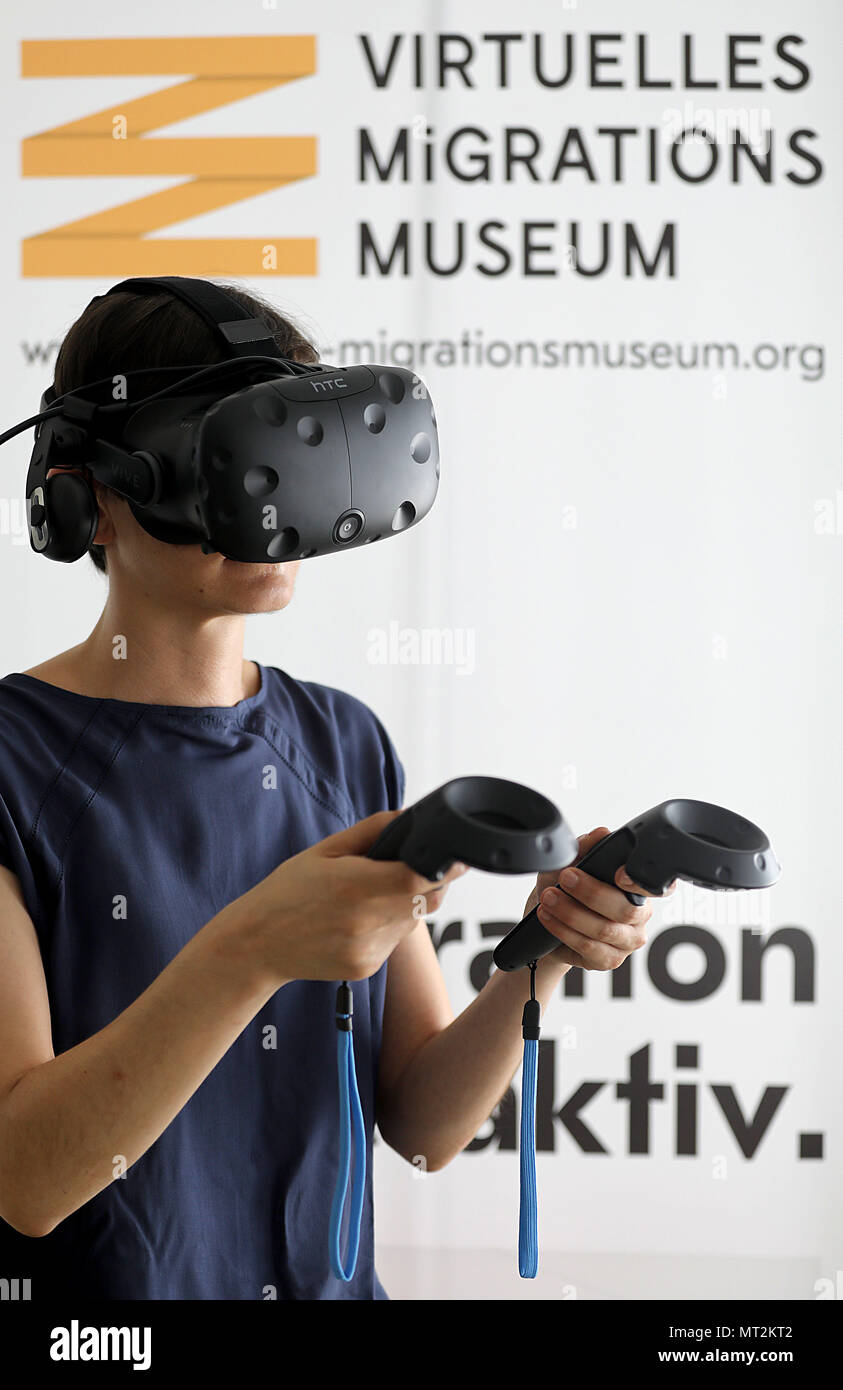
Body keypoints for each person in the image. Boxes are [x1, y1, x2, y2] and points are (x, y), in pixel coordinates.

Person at [0, 279, 660, 1300]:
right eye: (225, 455)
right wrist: (253, 947)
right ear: (92, 494)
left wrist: (544, 955)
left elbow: (424, 1124)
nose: (272, 497)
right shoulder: (12, 759)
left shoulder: (342, 742)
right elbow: (24, 1179)